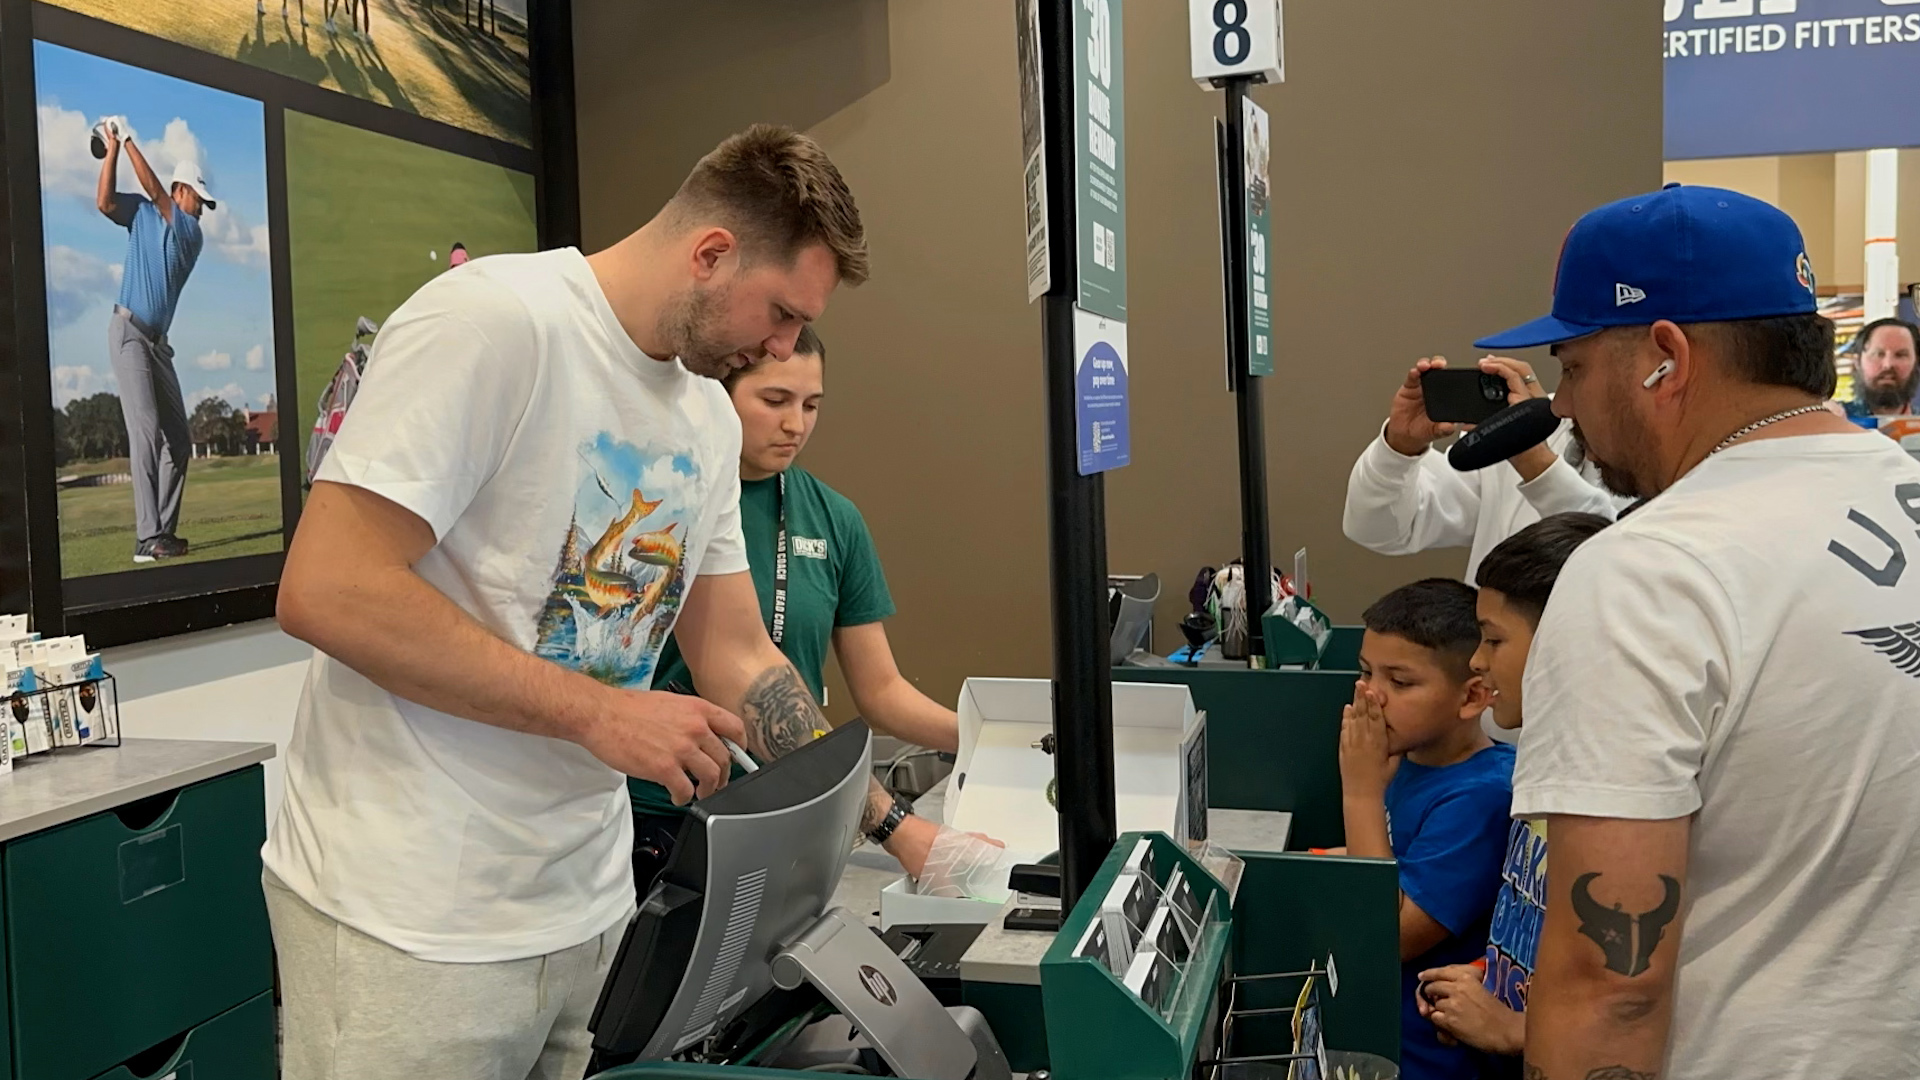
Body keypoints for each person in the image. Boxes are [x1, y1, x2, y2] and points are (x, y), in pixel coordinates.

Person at [262, 125, 948, 1080]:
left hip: (589, 909)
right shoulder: (495, 323)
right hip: (412, 916)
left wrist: (894, 827)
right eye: (782, 313)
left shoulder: (705, 416)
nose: (786, 348)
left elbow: (741, 659)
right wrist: (601, 714)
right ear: (712, 253)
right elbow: (328, 588)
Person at [1474, 184, 1920, 1080]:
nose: (1562, 406)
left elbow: (1613, 983)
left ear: (1664, 358)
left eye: (1573, 366)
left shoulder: (1649, 571)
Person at [628, 325, 962, 891]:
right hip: (663, 811)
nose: (795, 424)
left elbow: (880, 691)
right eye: (775, 400)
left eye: (811, 405)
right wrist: (894, 825)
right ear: (716, 394)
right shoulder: (663, 500)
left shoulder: (832, 517)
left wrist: (994, 737)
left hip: (788, 804)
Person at [1410, 512, 1611, 1076]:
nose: (1477, 660)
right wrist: (1497, 975)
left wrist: (1520, 1028)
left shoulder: (1609, 792)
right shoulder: (1542, 757)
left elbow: (1630, 976)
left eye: (1494, 639)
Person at [1339, 579, 1515, 1080]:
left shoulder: (1480, 797)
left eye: (1401, 682)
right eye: (1366, 672)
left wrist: (1361, 794)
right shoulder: (1413, 760)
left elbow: (1387, 934)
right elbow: (1389, 857)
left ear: (1472, 696)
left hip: (1430, 1061)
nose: (1372, 694)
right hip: (1387, 1038)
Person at [1342, 355, 1619, 582]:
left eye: (1574, 369)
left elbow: (1612, 563)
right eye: (1563, 368)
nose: (1561, 398)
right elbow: (1378, 531)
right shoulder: (1531, 421)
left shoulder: (1654, 461)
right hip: (1489, 644)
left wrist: (1530, 455)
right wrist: (1399, 449)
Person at [96, 122, 213, 563]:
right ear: (183, 189)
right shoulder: (144, 214)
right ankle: (148, 538)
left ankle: (161, 530)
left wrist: (128, 140)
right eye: (198, 199)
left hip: (158, 347)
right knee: (145, 431)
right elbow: (105, 203)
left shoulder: (190, 234)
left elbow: (155, 193)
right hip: (128, 333)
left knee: (179, 441)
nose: (201, 209)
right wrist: (112, 150)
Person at [1840, 316, 1919, 423]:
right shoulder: (1836, 419)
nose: (1888, 364)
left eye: (1901, 355)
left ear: (1916, 362)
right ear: (1857, 362)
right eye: (1878, 354)